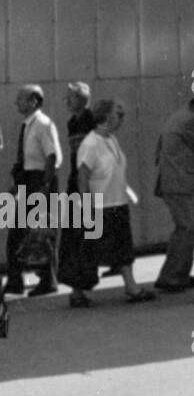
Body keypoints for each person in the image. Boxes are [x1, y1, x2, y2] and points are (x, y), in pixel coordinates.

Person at [75, 98, 155, 304]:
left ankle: (131, 286)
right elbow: (82, 174)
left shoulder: (111, 139)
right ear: (106, 117)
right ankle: (79, 290)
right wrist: (86, 206)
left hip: (117, 203)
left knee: (123, 247)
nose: (122, 118)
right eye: (119, 114)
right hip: (99, 205)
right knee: (91, 249)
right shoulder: (91, 143)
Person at [5, 85, 62, 297]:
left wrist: (44, 189)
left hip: (40, 182)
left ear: (34, 101)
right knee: (20, 233)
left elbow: (52, 157)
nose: (16, 103)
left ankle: (48, 280)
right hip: (28, 180)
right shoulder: (29, 124)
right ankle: (15, 280)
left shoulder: (44, 125)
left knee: (40, 233)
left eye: (20, 99)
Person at [154, 98, 194, 292]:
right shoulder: (189, 119)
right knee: (186, 229)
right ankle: (172, 276)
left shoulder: (178, 117)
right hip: (179, 181)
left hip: (173, 180)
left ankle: (178, 275)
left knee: (183, 229)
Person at [59, 83, 99, 303]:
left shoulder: (90, 121)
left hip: (88, 184)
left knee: (85, 236)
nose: (67, 101)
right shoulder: (72, 122)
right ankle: (77, 288)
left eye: (72, 97)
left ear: (84, 100)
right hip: (76, 182)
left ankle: (81, 286)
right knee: (76, 236)